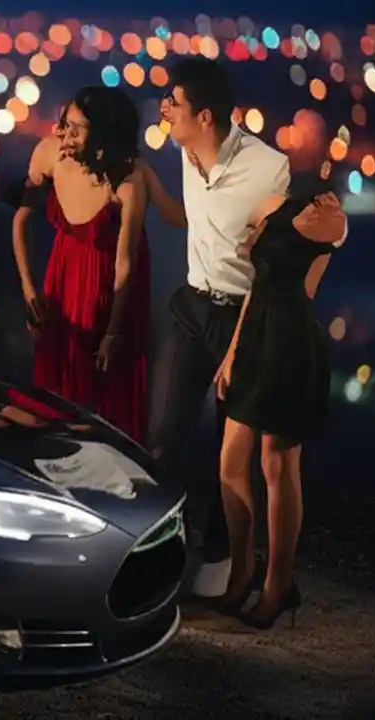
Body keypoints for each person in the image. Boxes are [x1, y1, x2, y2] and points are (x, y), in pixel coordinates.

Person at [139, 56, 347, 600]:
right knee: (162, 435)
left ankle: (227, 558)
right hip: (192, 306)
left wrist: (336, 229)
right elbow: (193, 212)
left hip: (244, 316)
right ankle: (150, 554)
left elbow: (288, 248)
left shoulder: (267, 167)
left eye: (174, 103)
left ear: (205, 116)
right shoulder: (184, 149)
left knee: (232, 450)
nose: (165, 110)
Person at [214, 175, 345, 628]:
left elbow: (334, 243)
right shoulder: (275, 206)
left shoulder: (333, 221)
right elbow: (256, 284)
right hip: (255, 335)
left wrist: (333, 214)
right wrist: (232, 352)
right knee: (231, 461)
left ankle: (277, 585)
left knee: (278, 464)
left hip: (291, 341)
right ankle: (242, 570)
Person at [10, 87, 151, 444]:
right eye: (65, 124)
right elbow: (21, 220)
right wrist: (29, 290)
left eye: (77, 129)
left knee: (99, 392)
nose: (65, 135)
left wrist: (114, 332)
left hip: (104, 287)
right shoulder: (49, 155)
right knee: (54, 381)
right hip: (61, 277)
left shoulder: (125, 182)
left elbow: (126, 264)